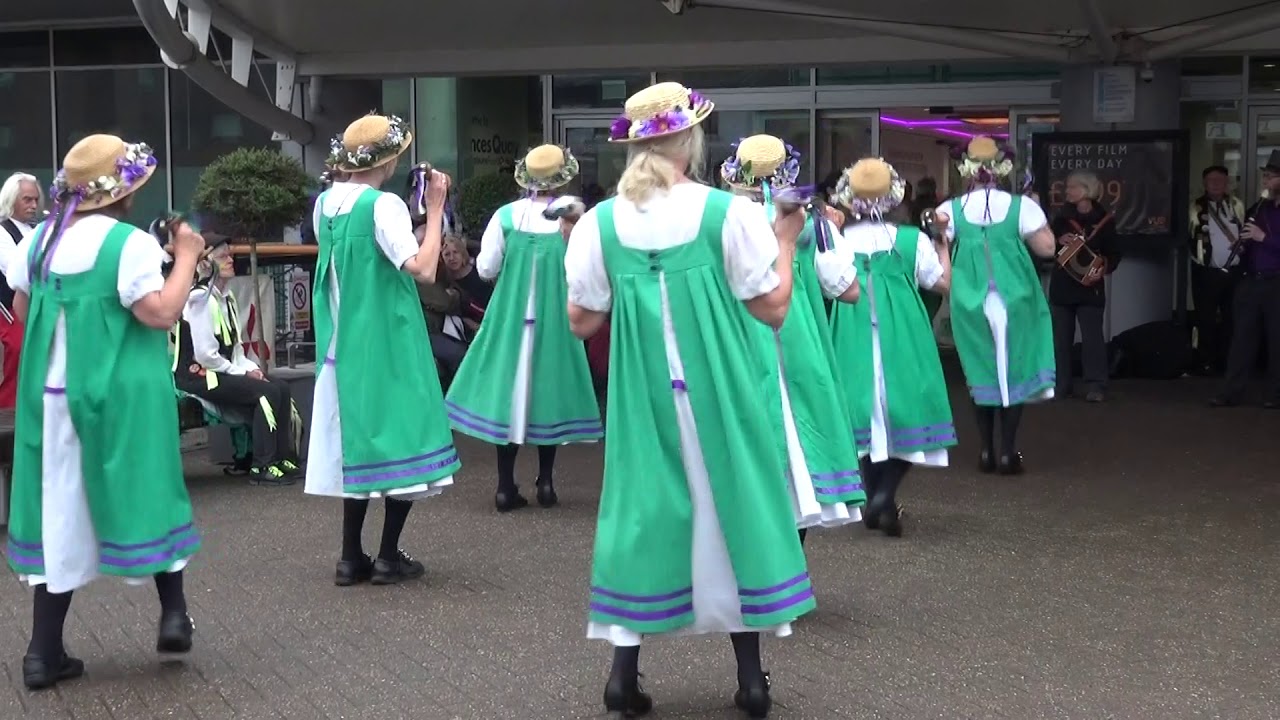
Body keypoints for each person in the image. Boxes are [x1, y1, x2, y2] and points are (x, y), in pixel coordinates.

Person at [564, 81, 812, 718]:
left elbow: (581, 320)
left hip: (643, 395)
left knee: (639, 514)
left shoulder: (599, 222)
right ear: (690, 140)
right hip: (720, 390)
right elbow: (774, 308)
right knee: (737, 507)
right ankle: (751, 679)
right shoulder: (725, 213)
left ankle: (623, 675)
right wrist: (785, 240)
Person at [5, 135, 204, 690]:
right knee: (149, 485)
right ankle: (172, 614)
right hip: (120, 392)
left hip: (50, 396)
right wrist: (187, 255)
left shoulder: (39, 240)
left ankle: (42, 653)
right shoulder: (129, 244)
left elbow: (22, 307)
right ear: (123, 191)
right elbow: (160, 312)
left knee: (59, 510)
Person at [305, 114, 460, 586]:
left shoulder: (325, 205)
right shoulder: (383, 205)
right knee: (403, 437)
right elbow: (423, 268)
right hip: (388, 339)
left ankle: (351, 555)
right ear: (390, 159)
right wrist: (435, 211)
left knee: (359, 442)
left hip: (341, 340)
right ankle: (389, 555)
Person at [718, 134, 864, 544]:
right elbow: (847, 290)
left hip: (739, 346)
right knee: (800, 459)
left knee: (743, 449)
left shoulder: (720, 221)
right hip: (797, 352)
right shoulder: (809, 224)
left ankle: (750, 573)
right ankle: (791, 574)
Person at [446, 144, 602, 512]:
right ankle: (546, 482)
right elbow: (585, 270)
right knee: (549, 392)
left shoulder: (506, 216)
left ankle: (504, 484)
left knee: (507, 394)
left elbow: (485, 268)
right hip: (555, 319)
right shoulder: (574, 219)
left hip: (510, 317)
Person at [828, 158, 956, 537]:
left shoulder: (839, 239)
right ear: (893, 198)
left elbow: (830, 283)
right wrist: (942, 242)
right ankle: (883, 496)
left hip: (852, 328)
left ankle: (875, 497)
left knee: (865, 413)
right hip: (901, 331)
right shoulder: (910, 239)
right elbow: (941, 284)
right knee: (904, 408)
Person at [938, 137, 1055, 475]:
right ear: (1003, 168)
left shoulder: (951, 209)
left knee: (981, 369)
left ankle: (986, 450)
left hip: (970, 296)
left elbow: (938, 249)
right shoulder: (1021, 206)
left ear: (968, 170)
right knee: (1013, 366)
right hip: (1014, 295)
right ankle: (1008, 451)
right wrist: (1039, 211)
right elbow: (1047, 248)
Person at [173, 235, 302, 484]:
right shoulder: (199, 300)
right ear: (206, 265)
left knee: (280, 387)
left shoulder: (227, 298)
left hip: (219, 371)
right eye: (223, 256)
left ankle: (279, 457)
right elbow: (205, 356)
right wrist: (242, 374)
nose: (231, 260)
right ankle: (261, 466)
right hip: (198, 376)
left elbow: (237, 351)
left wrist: (251, 369)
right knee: (264, 393)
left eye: (230, 254)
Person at [1212, 150, 1280, 409]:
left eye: (1271, 177)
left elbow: (1265, 239)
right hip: (1252, 280)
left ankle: (1275, 394)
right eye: (1265, 176)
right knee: (1241, 338)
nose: (1266, 182)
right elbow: (1251, 239)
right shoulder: (1259, 208)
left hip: (1277, 282)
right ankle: (1231, 391)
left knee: (1277, 341)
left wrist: (1265, 238)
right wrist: (1242, 248)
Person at [1048, 170, 1121, 402]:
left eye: (1072, 187)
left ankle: (1096, 385)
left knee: (1093, 340)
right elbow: (1046, 249)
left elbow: (1114, 254)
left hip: (1091, 289)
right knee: (1060, 340)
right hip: (1062, 288)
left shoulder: (1106, 221)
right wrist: (1056, 242)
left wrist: (1103, 267)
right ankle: (1061, 384)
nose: (1067, 191)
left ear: (1086, 190)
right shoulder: (1060, 220)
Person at [1189, 166, 1246, 376]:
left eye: (1220, 180)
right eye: (1211, 180)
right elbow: (1188, 235)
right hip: (1207, 272)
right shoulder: (1196, 207)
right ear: (1204, 183)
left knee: (1232, 317)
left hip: (1234, 271)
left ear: (1227, 182)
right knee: (1205, 317)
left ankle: (1227, 361)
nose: (1215, 184)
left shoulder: (1236, 205)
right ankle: (1205, 362)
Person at [0, 172, 43, 408]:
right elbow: (16, 273)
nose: (34, 205)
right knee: (17, 358)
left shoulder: (35, 230)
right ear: (11, 200)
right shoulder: (2, 232)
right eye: (27, 199)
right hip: (8, 310)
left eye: (35, 199)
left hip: (32, 305)